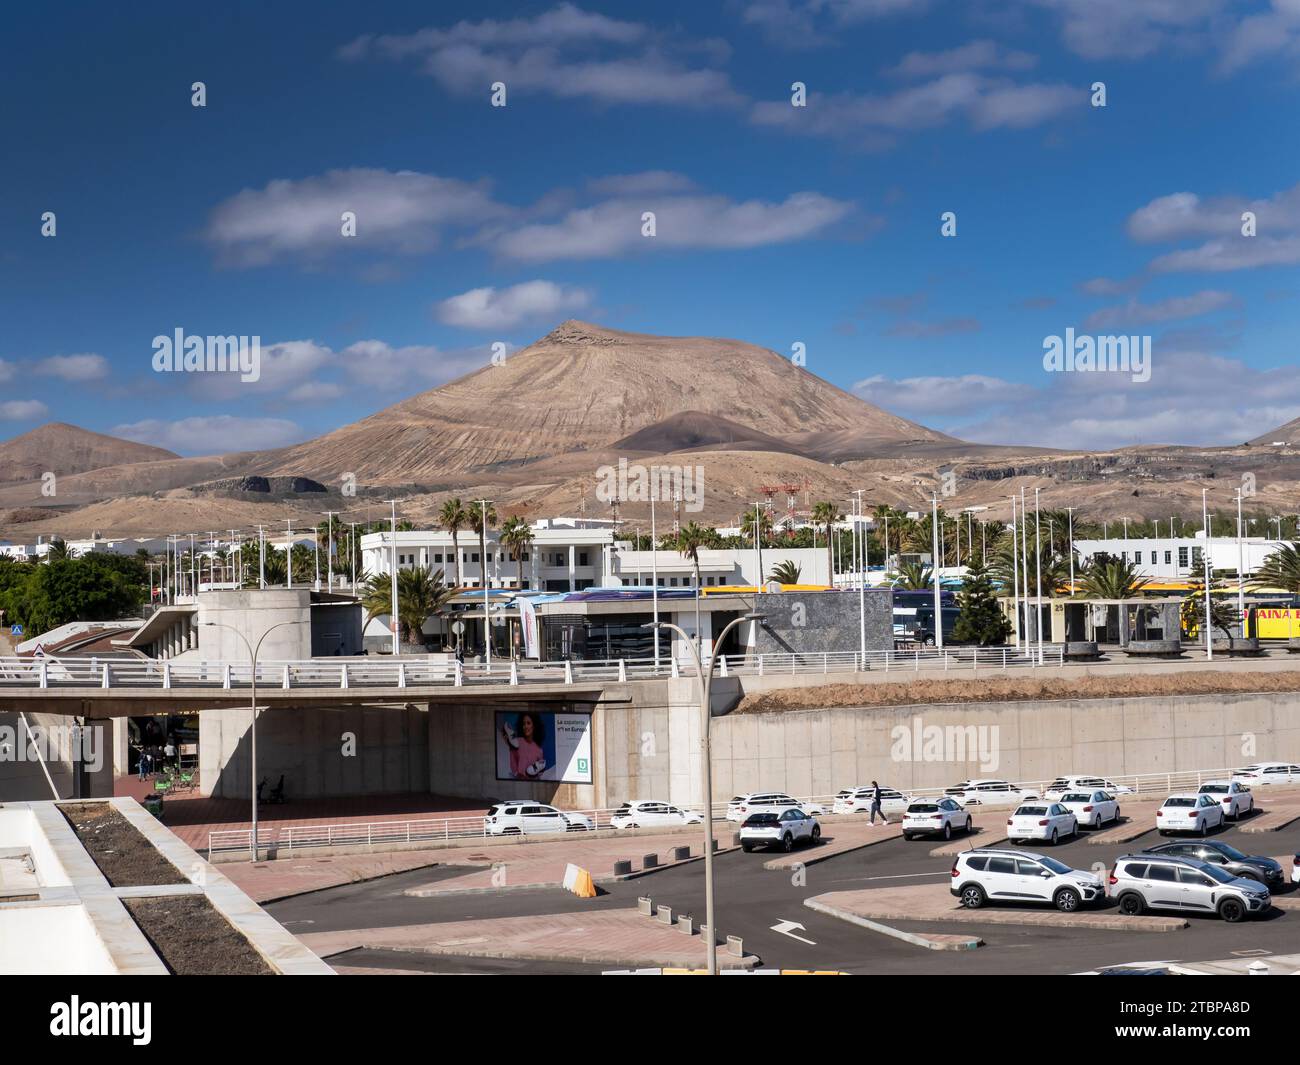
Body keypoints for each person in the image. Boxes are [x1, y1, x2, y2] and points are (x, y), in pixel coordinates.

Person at [502, 711, 546, 780]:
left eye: (528, 723)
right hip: (517, 782)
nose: (525, 726)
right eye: (524, 724)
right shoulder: (517, 742)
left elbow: (539, 774)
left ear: (534, 726)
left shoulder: (539, 750)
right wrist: (517, 774)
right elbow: (513, 763)